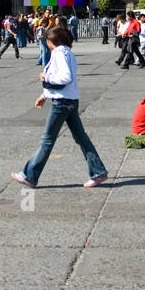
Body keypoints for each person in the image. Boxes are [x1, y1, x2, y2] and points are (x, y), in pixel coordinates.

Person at [12, 25, 108, 189]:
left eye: (47, 40)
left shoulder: (58, 53)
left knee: (47, 140)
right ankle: (98, 172)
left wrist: (46, 77)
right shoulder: (67, 53)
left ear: (52, 41)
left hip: (61, 103)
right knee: (81, 138)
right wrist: (44, 96)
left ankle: (29, 175)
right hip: (70, 100)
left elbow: (65, 77)